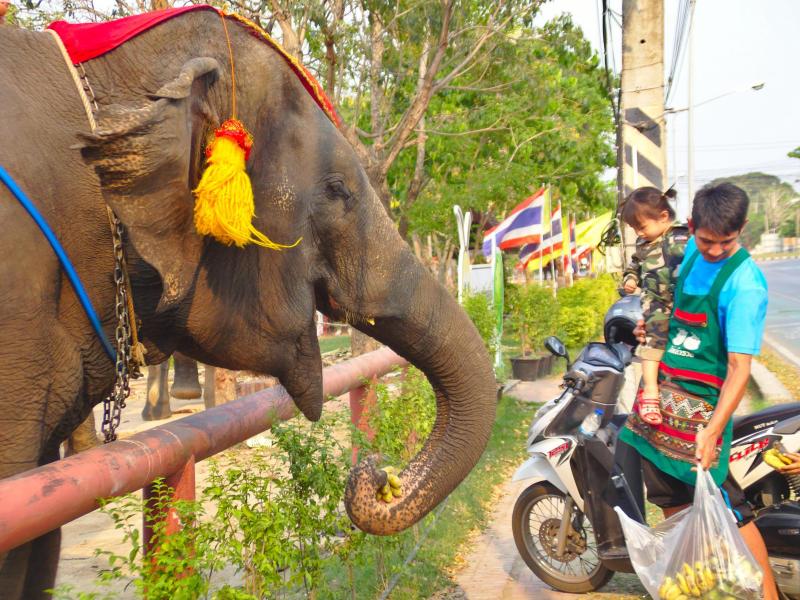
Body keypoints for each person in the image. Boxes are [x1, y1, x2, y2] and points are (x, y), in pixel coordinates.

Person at [619, 182, 777, 600]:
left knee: (728, 509)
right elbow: (669, 308)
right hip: (661, 400)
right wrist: (653, 327)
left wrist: (713, 430)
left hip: (704, 410)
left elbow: (739, 368)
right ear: (691, 227)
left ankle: (768, 595)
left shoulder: (745, 284)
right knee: (670, 500)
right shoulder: (688, 252)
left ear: (742, 227)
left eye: (727, 241)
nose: (715, 250)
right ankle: (700, 589)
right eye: (707, 241)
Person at [621, 187, 689, 426]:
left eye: (641, 227)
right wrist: (630, 278)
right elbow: (634, 266)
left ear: (663, 217)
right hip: (655, 307)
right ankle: (650, 392)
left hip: (682, 308)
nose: (639, 233)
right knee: (651, 346)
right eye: (635, 229)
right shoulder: (643, 244)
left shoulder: (683, 238)